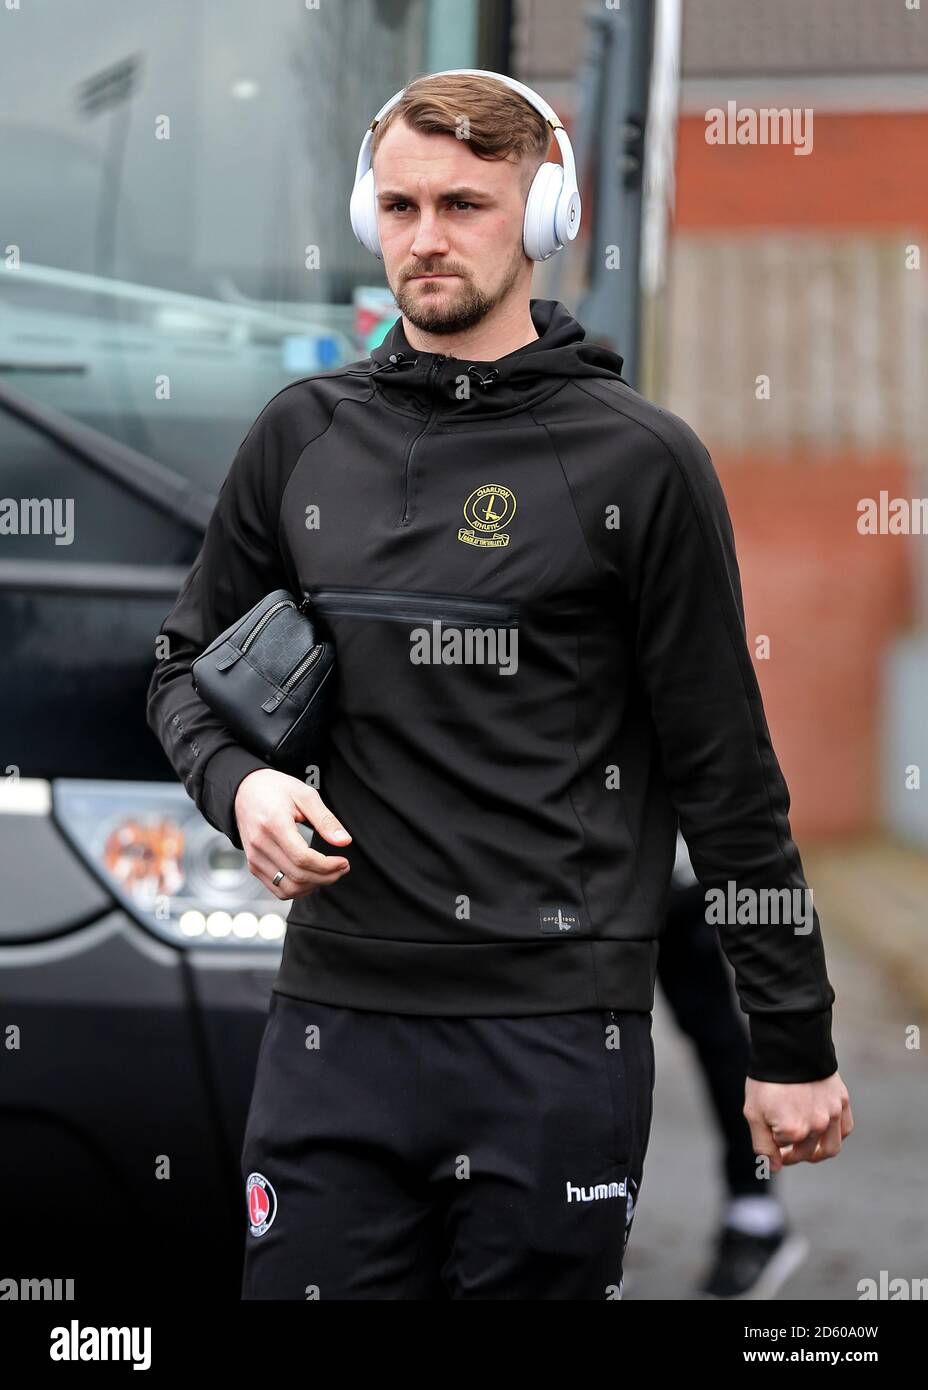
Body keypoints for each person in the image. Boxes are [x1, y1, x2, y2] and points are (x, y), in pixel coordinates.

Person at [146, 69, 852, 1301]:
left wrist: (789, 1044)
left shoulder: (641, 461)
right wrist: (242, 784)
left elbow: (726, 777)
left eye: (467, 204)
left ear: (543, 219)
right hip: (334, 1032)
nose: (427, 238)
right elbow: (180, 671)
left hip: (553, 1046)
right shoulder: (300, 435)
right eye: (402, 205)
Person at [659, 834, 811, 1299]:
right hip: (566, 877)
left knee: (716, 1035)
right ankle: (585, 1229)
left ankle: (754, 1213)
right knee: (585, 1037)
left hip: (673, 870)